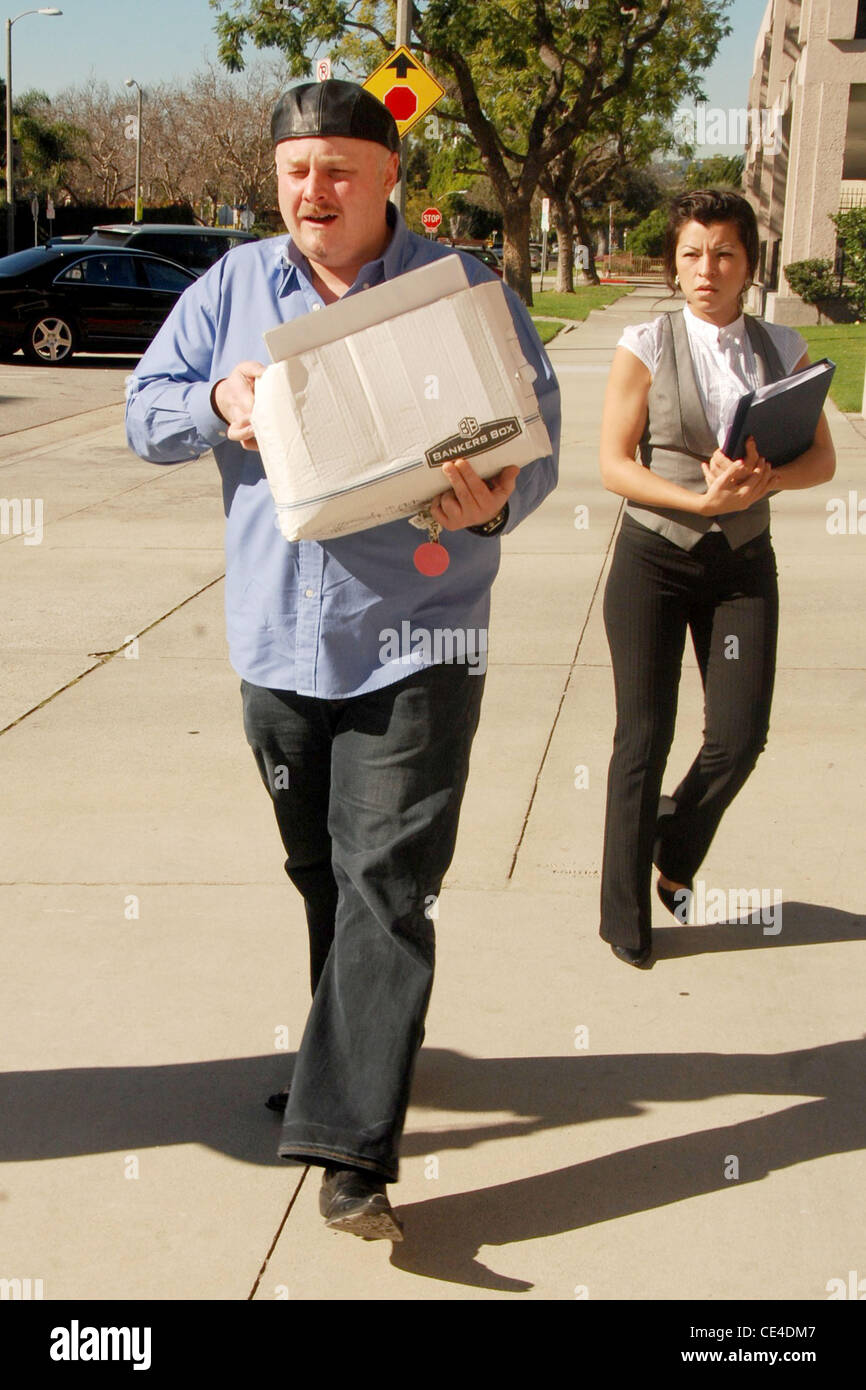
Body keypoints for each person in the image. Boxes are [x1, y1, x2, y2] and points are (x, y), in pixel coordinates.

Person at [125, 80, 560, 1239]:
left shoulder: (457, 289)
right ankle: (352, 1059)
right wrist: (221, 396)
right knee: (321, 871)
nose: (313, 191)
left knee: (386, 882)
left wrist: (494, 498)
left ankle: (352, 1150)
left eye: (337, 169)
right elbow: (143, 408)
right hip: (277, 639)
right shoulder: (229, 287)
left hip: (420, 640)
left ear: (388, 175)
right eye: (296, 172)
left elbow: (540, 434)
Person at [597, 189, 835, 969]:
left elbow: (822, 460)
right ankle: (626, 915)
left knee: (738, 736)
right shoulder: (646, 342)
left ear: (748, 266)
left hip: (742, 564)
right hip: (653, 559)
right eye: (693, 253)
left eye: (724, 253)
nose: (707, 268)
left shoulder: (784, 347)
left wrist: (762, 484)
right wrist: (698, 498)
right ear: (675, 261)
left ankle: (675, 838)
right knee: (645, 736)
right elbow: (613, 465)